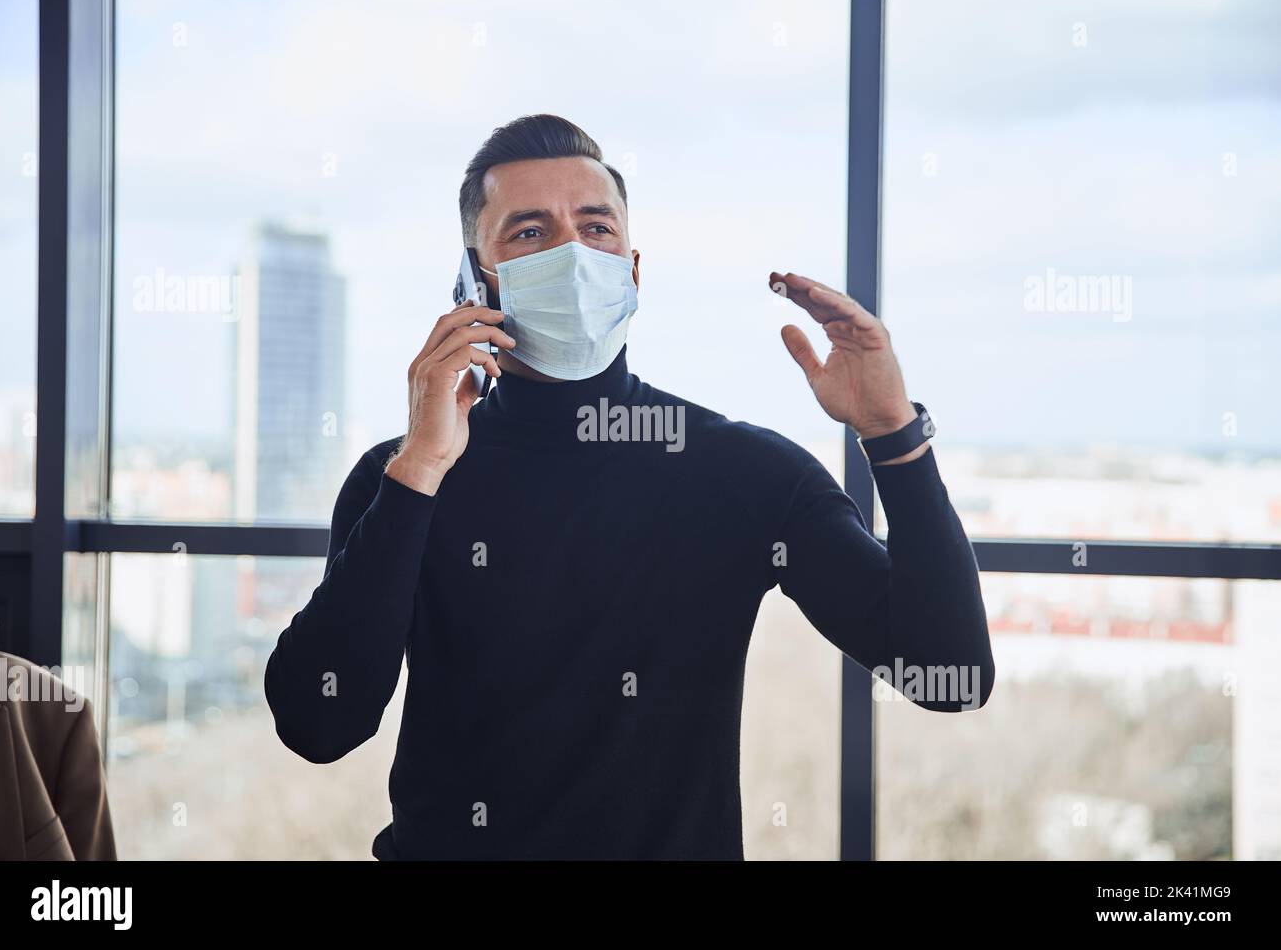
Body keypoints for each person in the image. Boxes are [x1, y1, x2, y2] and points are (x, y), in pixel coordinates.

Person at [264, 114, 994, 860]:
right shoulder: (405, 478)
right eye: (529, 233)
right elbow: (318, 726)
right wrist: (417, 472)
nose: (574, 254)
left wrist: (892, 435)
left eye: (596, 228)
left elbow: (953, 675)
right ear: (474, 279)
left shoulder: (742, 473)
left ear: (633, 270)